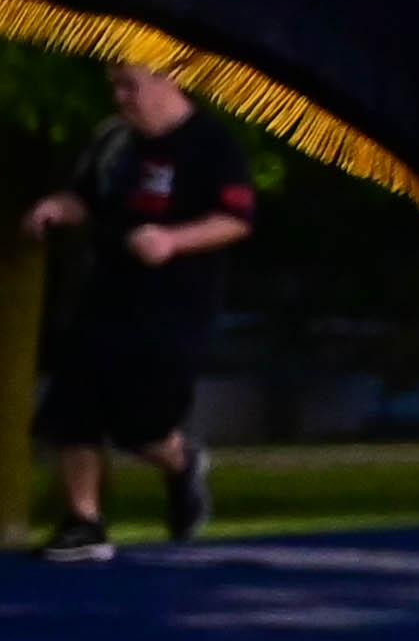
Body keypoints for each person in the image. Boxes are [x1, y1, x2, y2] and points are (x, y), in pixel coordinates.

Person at [22, 60, 254, 559]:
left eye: (130, 85)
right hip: (106, 292)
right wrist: (57, 208)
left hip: (176, 304)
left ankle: (180, 462)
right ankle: (83, 522)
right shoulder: (112, 141)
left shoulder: (212, 143)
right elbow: (86, 197)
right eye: (115, 87)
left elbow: (235, 219)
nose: (121, 97)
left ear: (168, 79)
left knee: (139, 425)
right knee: (72, 403)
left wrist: (173, 240)